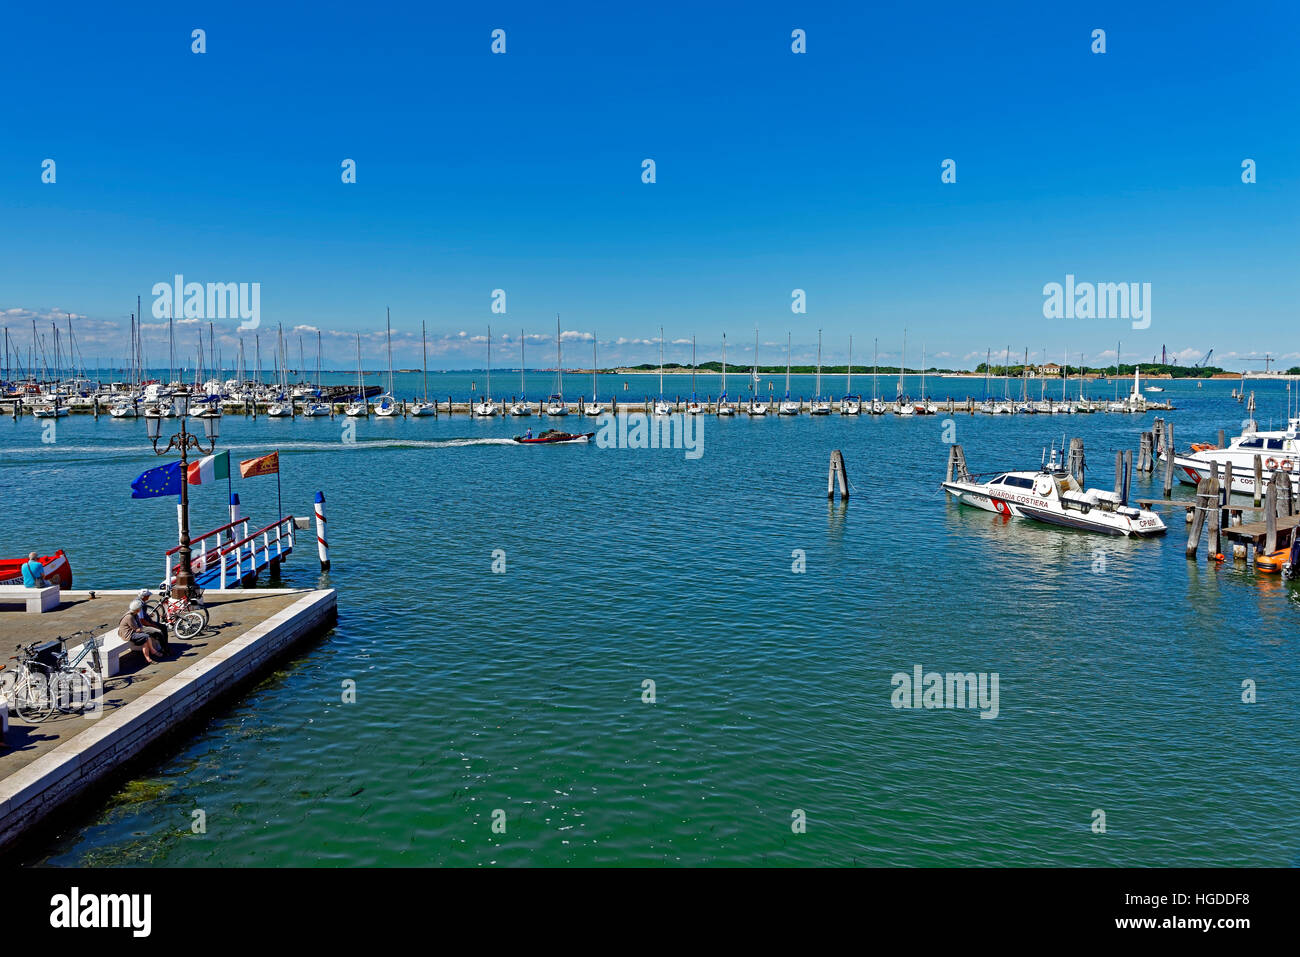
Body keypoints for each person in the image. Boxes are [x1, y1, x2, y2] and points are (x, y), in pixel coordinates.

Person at [118, 598, 166, 664]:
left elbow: (139, 626)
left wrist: (145, 629)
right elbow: (136, 629)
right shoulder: (129, 617)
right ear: (137, 609)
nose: (141, 609)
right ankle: (153, 651)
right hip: (128, 635)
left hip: (133, 632)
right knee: (147, 637)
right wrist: (147, 629)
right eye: (140, 608)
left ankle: (148, 659)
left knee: (145, 640)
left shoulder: (134, 614)